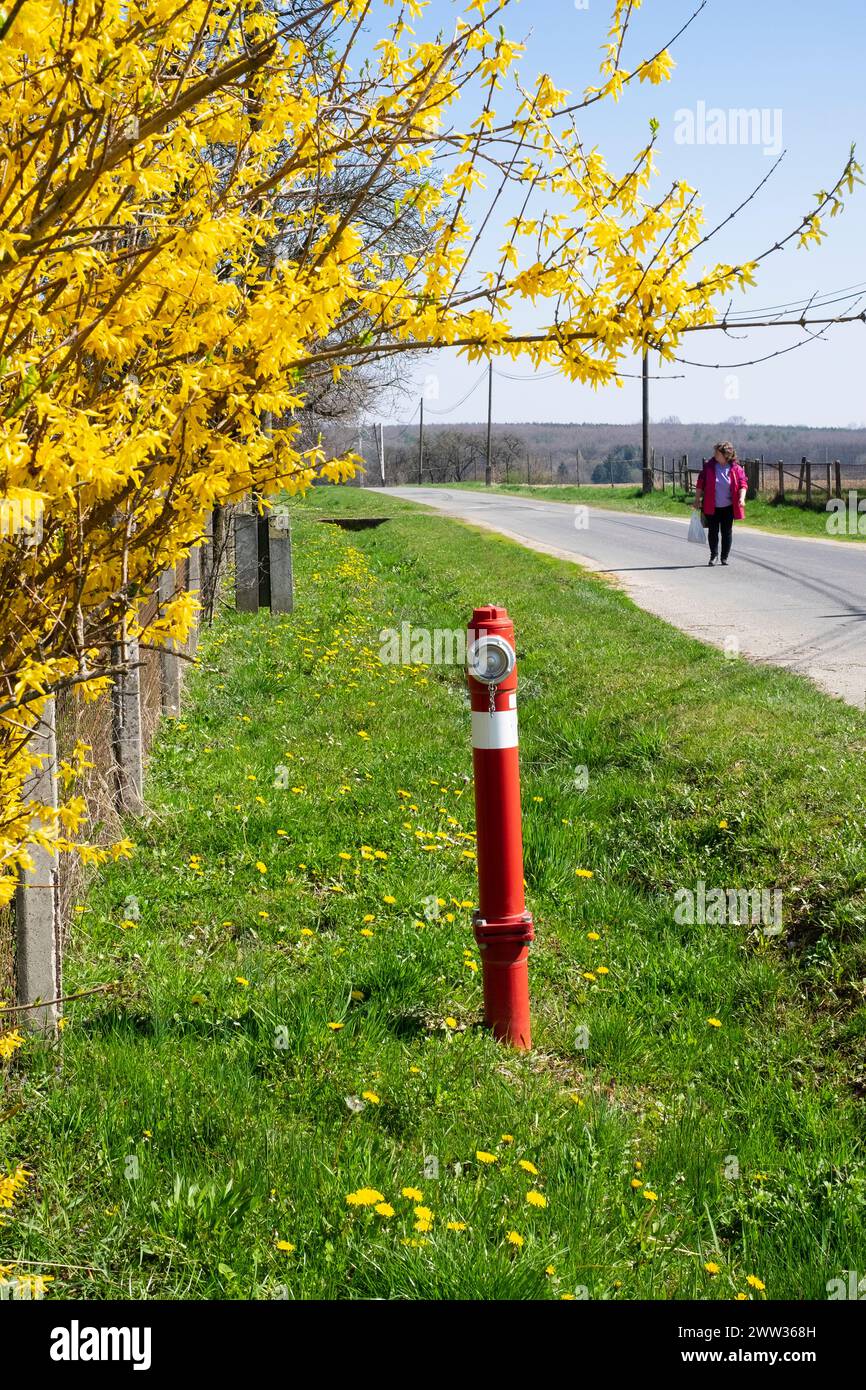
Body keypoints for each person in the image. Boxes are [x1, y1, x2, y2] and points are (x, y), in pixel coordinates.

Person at [694, 443, 748, 566]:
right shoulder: (709, 467)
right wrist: (697, 499)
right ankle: (714, 556)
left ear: (726, 455)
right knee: (713, 531)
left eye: (717, 453)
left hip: (728, 507)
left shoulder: (736, 469)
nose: (714, 455)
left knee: (726, 532)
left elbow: (742, 485)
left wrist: (742, 498)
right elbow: (700, 484)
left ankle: (724, 557)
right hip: (712, 506)